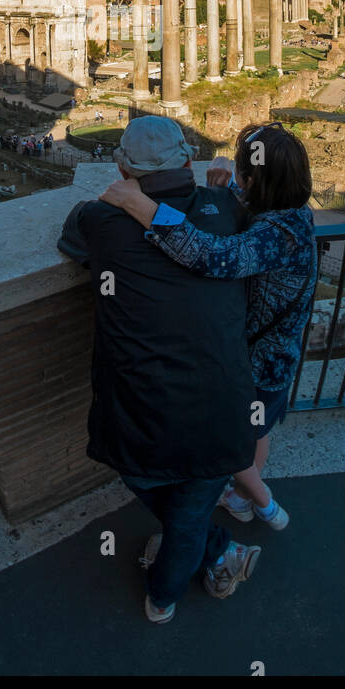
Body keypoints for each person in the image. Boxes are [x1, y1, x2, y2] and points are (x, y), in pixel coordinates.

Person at [58, 116, 261, 623]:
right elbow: (209, 230)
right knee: (192, 500)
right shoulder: (226, 211)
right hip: (222, 408)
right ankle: (214, 549)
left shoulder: (101, 220)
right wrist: (218, 194)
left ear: (122, 166)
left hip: (137, 416)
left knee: (166, 495)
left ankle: (162, 597)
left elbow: (73, 237)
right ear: (187, 159)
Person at [101, 123, 317, 530]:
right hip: (277, 358)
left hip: (259, 365)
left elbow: (213, 256)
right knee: (258, 429)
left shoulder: (279, 235)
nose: (236, 177)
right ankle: (241, 498)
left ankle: (264, 504)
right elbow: (252, 216)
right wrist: (232, 190)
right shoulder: (292, 213)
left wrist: (142, 208)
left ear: (255, 179)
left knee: (235, 440)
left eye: (242, 174)